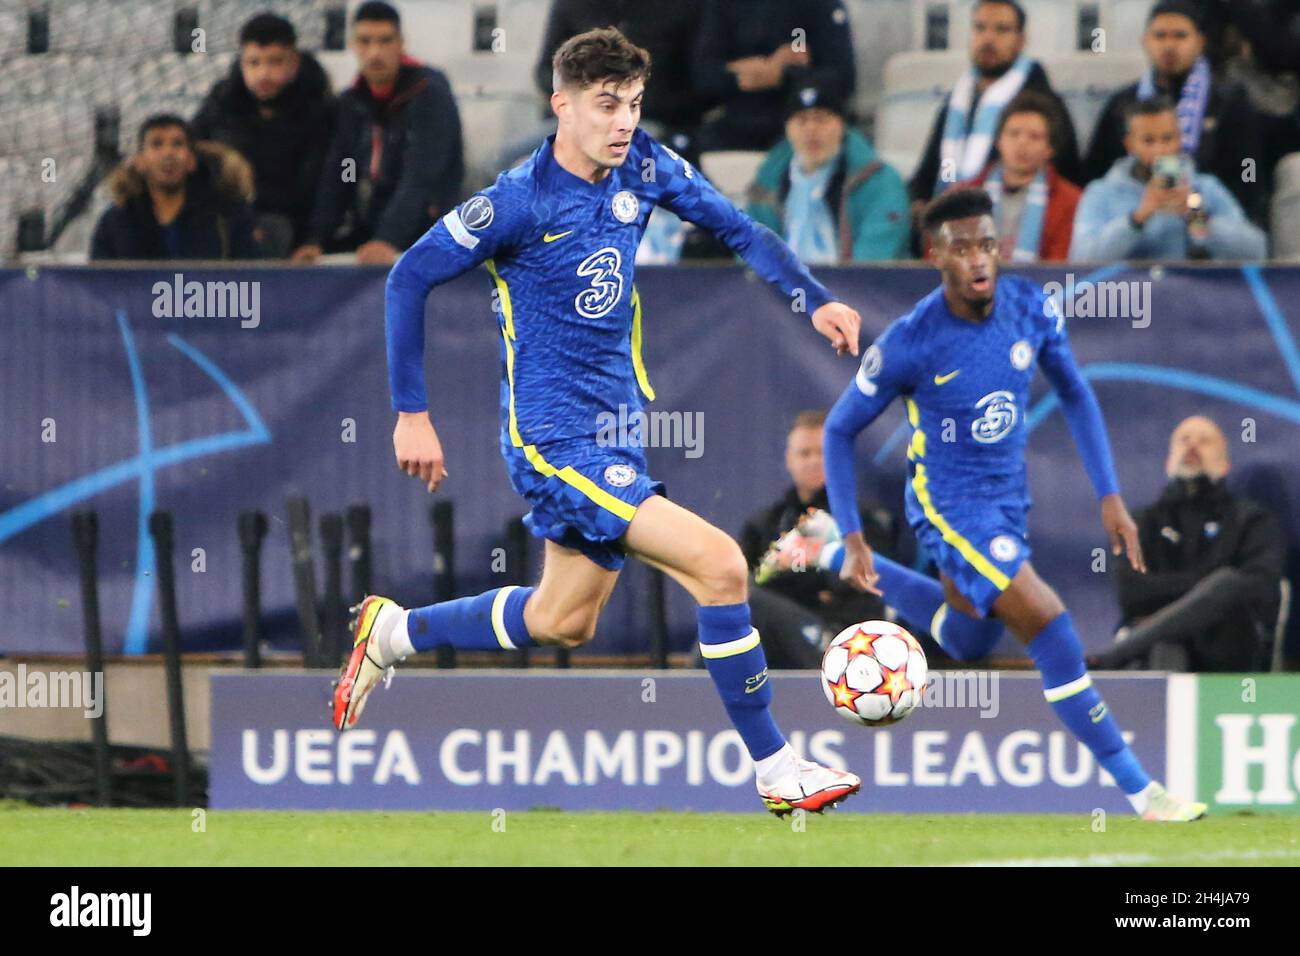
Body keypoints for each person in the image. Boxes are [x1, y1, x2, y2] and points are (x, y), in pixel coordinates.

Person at [333, 28, 866, 816]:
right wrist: (412, 413)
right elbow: (407, 277)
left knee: (563, 619)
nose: (623, 121)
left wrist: (814, 294)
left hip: (614, 432)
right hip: (554, 440)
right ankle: (777, 768)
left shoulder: (644, 163)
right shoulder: (517, 199)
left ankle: (394, 634)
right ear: (562, 105)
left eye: (634, 104)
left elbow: (738, 229)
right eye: (606, 105)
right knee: (721, 566)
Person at [766, 186, 1206, 821]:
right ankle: (1144, 791)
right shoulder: (911, 341)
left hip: (1007, 500)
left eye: (986, 244)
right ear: (935, 255)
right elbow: (838, 429)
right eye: (961, 247)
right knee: (1050, 627)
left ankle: (821, 548)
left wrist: (1110, 495)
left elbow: (1076, 393)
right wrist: (859, 528)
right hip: (948, 505)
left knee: (971, 637)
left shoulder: (1030, 307)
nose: (978, 258)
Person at [1089, 416, 1284, 672]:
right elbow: (1130, 592)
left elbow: (1259, 591)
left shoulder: (1251, 520)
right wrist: (1205, 592)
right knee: (1168, 641)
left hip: (1227, 645)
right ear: (1168, 462)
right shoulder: (1138, 523)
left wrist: (1211, 592)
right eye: (1184, 439)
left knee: (1227, 583)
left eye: (1205, 441)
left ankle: (1111, 658)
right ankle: (1165, 709)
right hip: (1155, 647)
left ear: (1225, 465)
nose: (1192, 445)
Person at [292, 1, 463, 266]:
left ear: (401, 43)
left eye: (385, 41)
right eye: (365, 41)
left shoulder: (428, 93)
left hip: (432, 230)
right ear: (352, 45)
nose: (375, 52)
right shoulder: (353, 102)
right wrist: (316, 238)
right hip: (374, 227)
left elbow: (421, 175)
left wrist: (388, 238)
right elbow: (341, 174)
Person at [739, 410, 900, 667]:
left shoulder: (864, 519)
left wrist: (789, 574)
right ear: (789, 460)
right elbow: (741, 587)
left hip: (848, 644)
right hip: (777, 640)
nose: (813, 461)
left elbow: (868, 587)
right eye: (804, 453)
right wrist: (814, 583)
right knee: (730, 605)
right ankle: (698, 695)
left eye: (822, 452)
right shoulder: (764, 523)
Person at [1081, 0, 1263, 221]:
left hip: (1211, 221)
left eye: (1180, 36)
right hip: (1134, 223)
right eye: (1160, 36)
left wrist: (1226, 215)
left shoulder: (1230, 103)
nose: (1169, 46)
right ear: (1145, 41)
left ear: (1200, 42)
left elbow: (1249, 171)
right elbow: (1095, 171)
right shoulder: (1122, 104)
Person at [909, 0, 1080, 210]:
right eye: (980, 28)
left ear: (1021, 40)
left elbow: (1065, 180)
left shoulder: (1045, 105)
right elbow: (928, 172)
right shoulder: (957, 101)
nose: (988, 38)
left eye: (1002, 30)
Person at [191, 12, 336, 256]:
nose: (263, 74)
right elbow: (193, 149)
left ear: (294, 62)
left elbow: (327, 186)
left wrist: (314, 237)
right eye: (253, 63)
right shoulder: (222, 101)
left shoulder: (320, 110)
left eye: (275, 62)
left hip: (289, 224)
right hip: (224, 215)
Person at [1071, 98, 1267, 261]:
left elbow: (1256, 251)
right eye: (1149, 141)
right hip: (1129, 300)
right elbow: (1080, 260)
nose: (1160, 150)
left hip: (1193, 298)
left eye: (1167, 139)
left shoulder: (1205, 188)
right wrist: (1137, 219)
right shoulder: (1101, 193)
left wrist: (1196, 216)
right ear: (1129, 144)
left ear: (1179, 139)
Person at [747, 83, 909, 263]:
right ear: (788, 129)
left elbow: (875, 256)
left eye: (821, 119)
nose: (811, 130)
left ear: (841, 125)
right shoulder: (767, 182)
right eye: (801, 120)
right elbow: (751, 249)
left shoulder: (879, 181)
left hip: (855, 287)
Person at [692, 0, 856, 152]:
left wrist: (782, 75)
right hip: (733, 127)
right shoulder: (723, 5)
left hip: (801, 126)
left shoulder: (819, 5)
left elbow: (843, 78)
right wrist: (743, 72)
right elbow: (703, 74)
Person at [91, 114, 259, 260]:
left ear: (191, 161)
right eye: (157, 144)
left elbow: (253, 280)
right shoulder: (115, 222)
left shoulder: (228, 216)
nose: (168, 153)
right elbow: (99, 286)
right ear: (139, 162)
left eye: (177, 144)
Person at [951, 90, 1080, 262]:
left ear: (1050, 149)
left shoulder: (1071, 201)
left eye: (1034, 137)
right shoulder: (962, 197)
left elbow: (1060, 266)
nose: (1022, 143)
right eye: (1013, 133)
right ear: (998, 141)